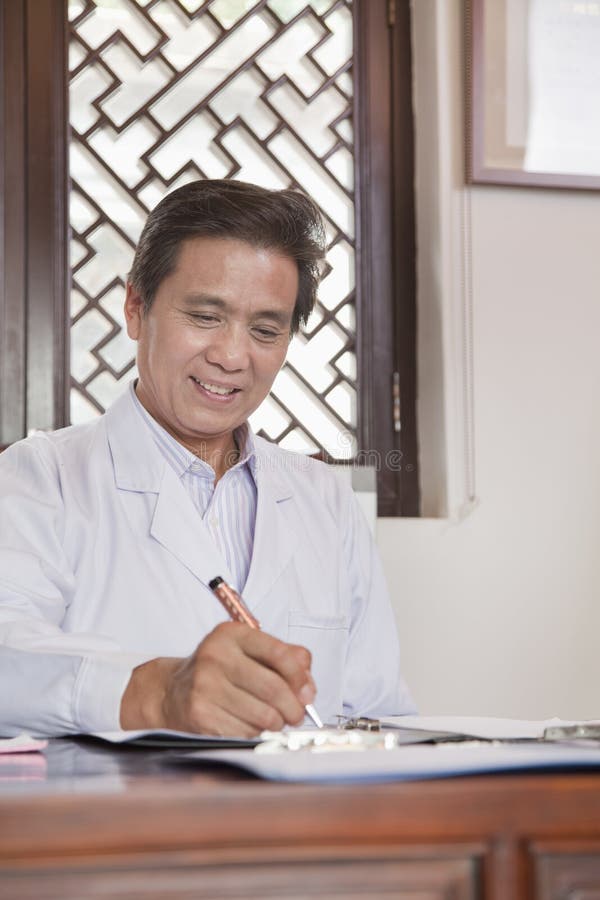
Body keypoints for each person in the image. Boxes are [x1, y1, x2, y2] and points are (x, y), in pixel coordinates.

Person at [0, 180, 415, 738]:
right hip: (118, 798)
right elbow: (8, 655)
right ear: (135, 307)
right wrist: (157, 693)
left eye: (264, 330)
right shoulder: (41, 478)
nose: (231, 356)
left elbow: (378, 711)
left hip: (303, 796)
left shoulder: (326, 499)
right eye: (204, 317)